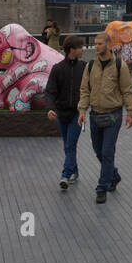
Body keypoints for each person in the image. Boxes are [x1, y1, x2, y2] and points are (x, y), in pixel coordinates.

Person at [78, 32, 132, 203]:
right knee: (98, 151)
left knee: (107, 151)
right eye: (95, 44)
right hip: (95, 114)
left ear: (108, 45)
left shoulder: (120, 66)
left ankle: (102, 187)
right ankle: (114, 175)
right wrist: (82, 110)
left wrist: (130, 112)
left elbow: (127, 90)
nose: (96, 47)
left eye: (99, 44)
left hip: (113, 116)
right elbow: (84, 90)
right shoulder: (90, 66)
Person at [45, 37, 86, 190]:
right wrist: (49, 108)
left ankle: (65, 175)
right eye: (80, 47)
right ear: (71, 50)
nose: (83, 50)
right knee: (67, 145)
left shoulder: (84, 67)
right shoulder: (57, 69)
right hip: (61, 114)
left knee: (70, 144)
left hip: (77, 113)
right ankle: (74, 170)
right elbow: (50, 91)